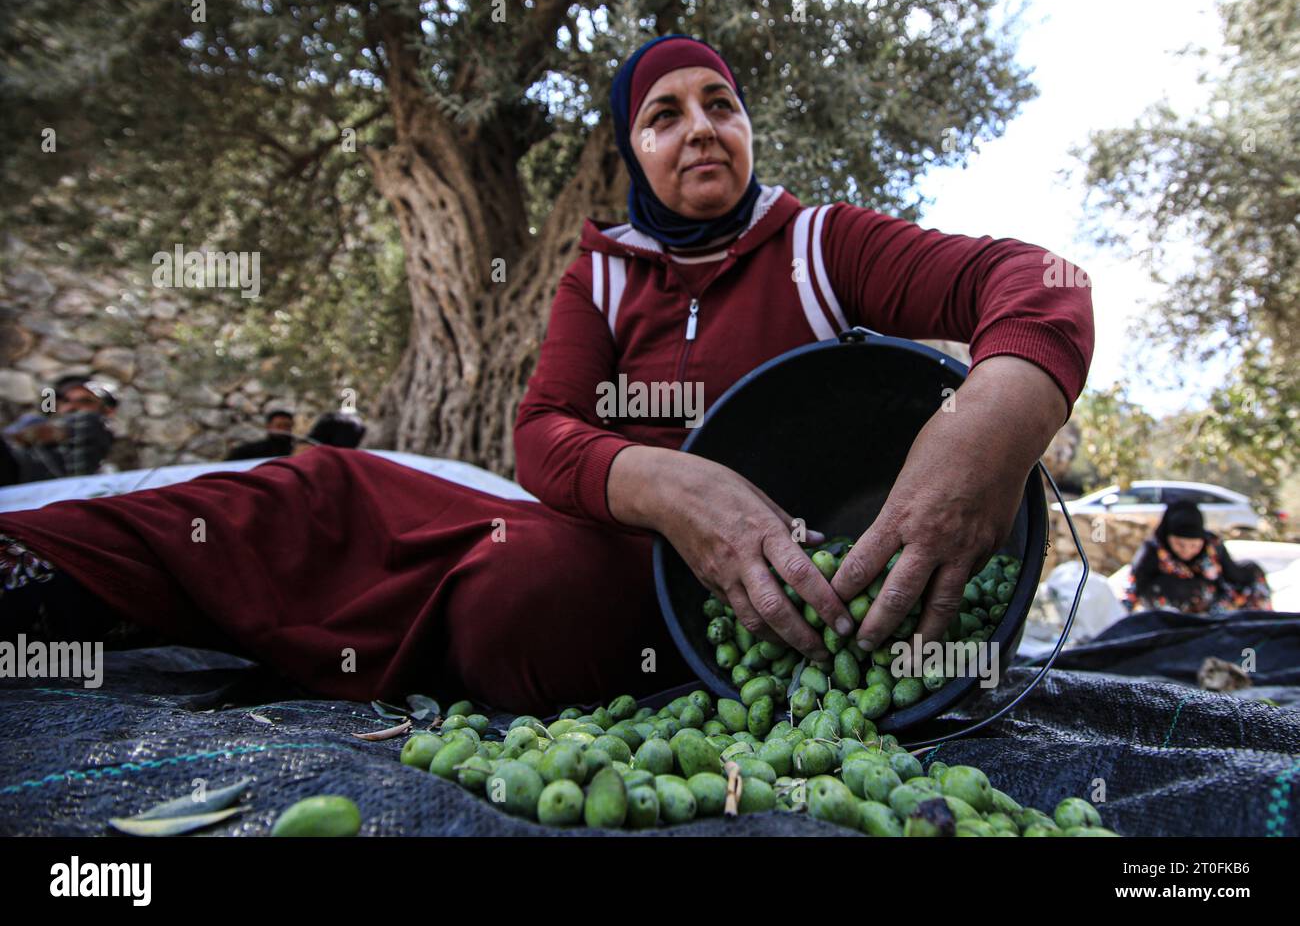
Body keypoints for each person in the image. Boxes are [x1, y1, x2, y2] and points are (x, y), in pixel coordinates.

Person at [0, 35, 1094, 714]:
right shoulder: (604, 275)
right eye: (664, 115)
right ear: (630, 149)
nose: (700, 129)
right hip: (626, 541)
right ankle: (46, 578)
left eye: (722, 104)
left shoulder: (823, 245)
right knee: (318, 488)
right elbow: (544, 432)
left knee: (530, 608)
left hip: (783, 599)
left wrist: (985, 425)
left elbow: (1041, 281)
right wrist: (666, 488)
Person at [1121, 500, 1271, 614]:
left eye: (1194, 546)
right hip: (1171, 611)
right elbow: (1133, 587)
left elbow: (1231, 574)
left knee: (1252, 572)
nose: (1187, 551)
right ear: (1168, 538)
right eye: (1180, 545)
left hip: (1212, 608)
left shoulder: (1212, 546)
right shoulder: (1153, 550)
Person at [0, 375, 118, 486]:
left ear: (107, 410)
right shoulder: (36, 420)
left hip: (19, 474)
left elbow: (29, 435)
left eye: (84, 401)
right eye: (66, 401)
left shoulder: (93, 422)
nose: (72, 406)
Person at [225, 410, 296, 461]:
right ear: (268, 426)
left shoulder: (296, 450)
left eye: (287, 426)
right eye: (279, 426)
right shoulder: (247, 451)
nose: (283, 429)